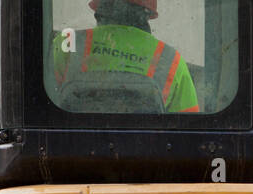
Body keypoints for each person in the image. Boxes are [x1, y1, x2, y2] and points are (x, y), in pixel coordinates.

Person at [52, 0, 199, 114]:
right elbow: (189, 130)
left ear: (100, 8)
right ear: (147, 13)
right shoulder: (171, 61)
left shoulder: (68, 43)